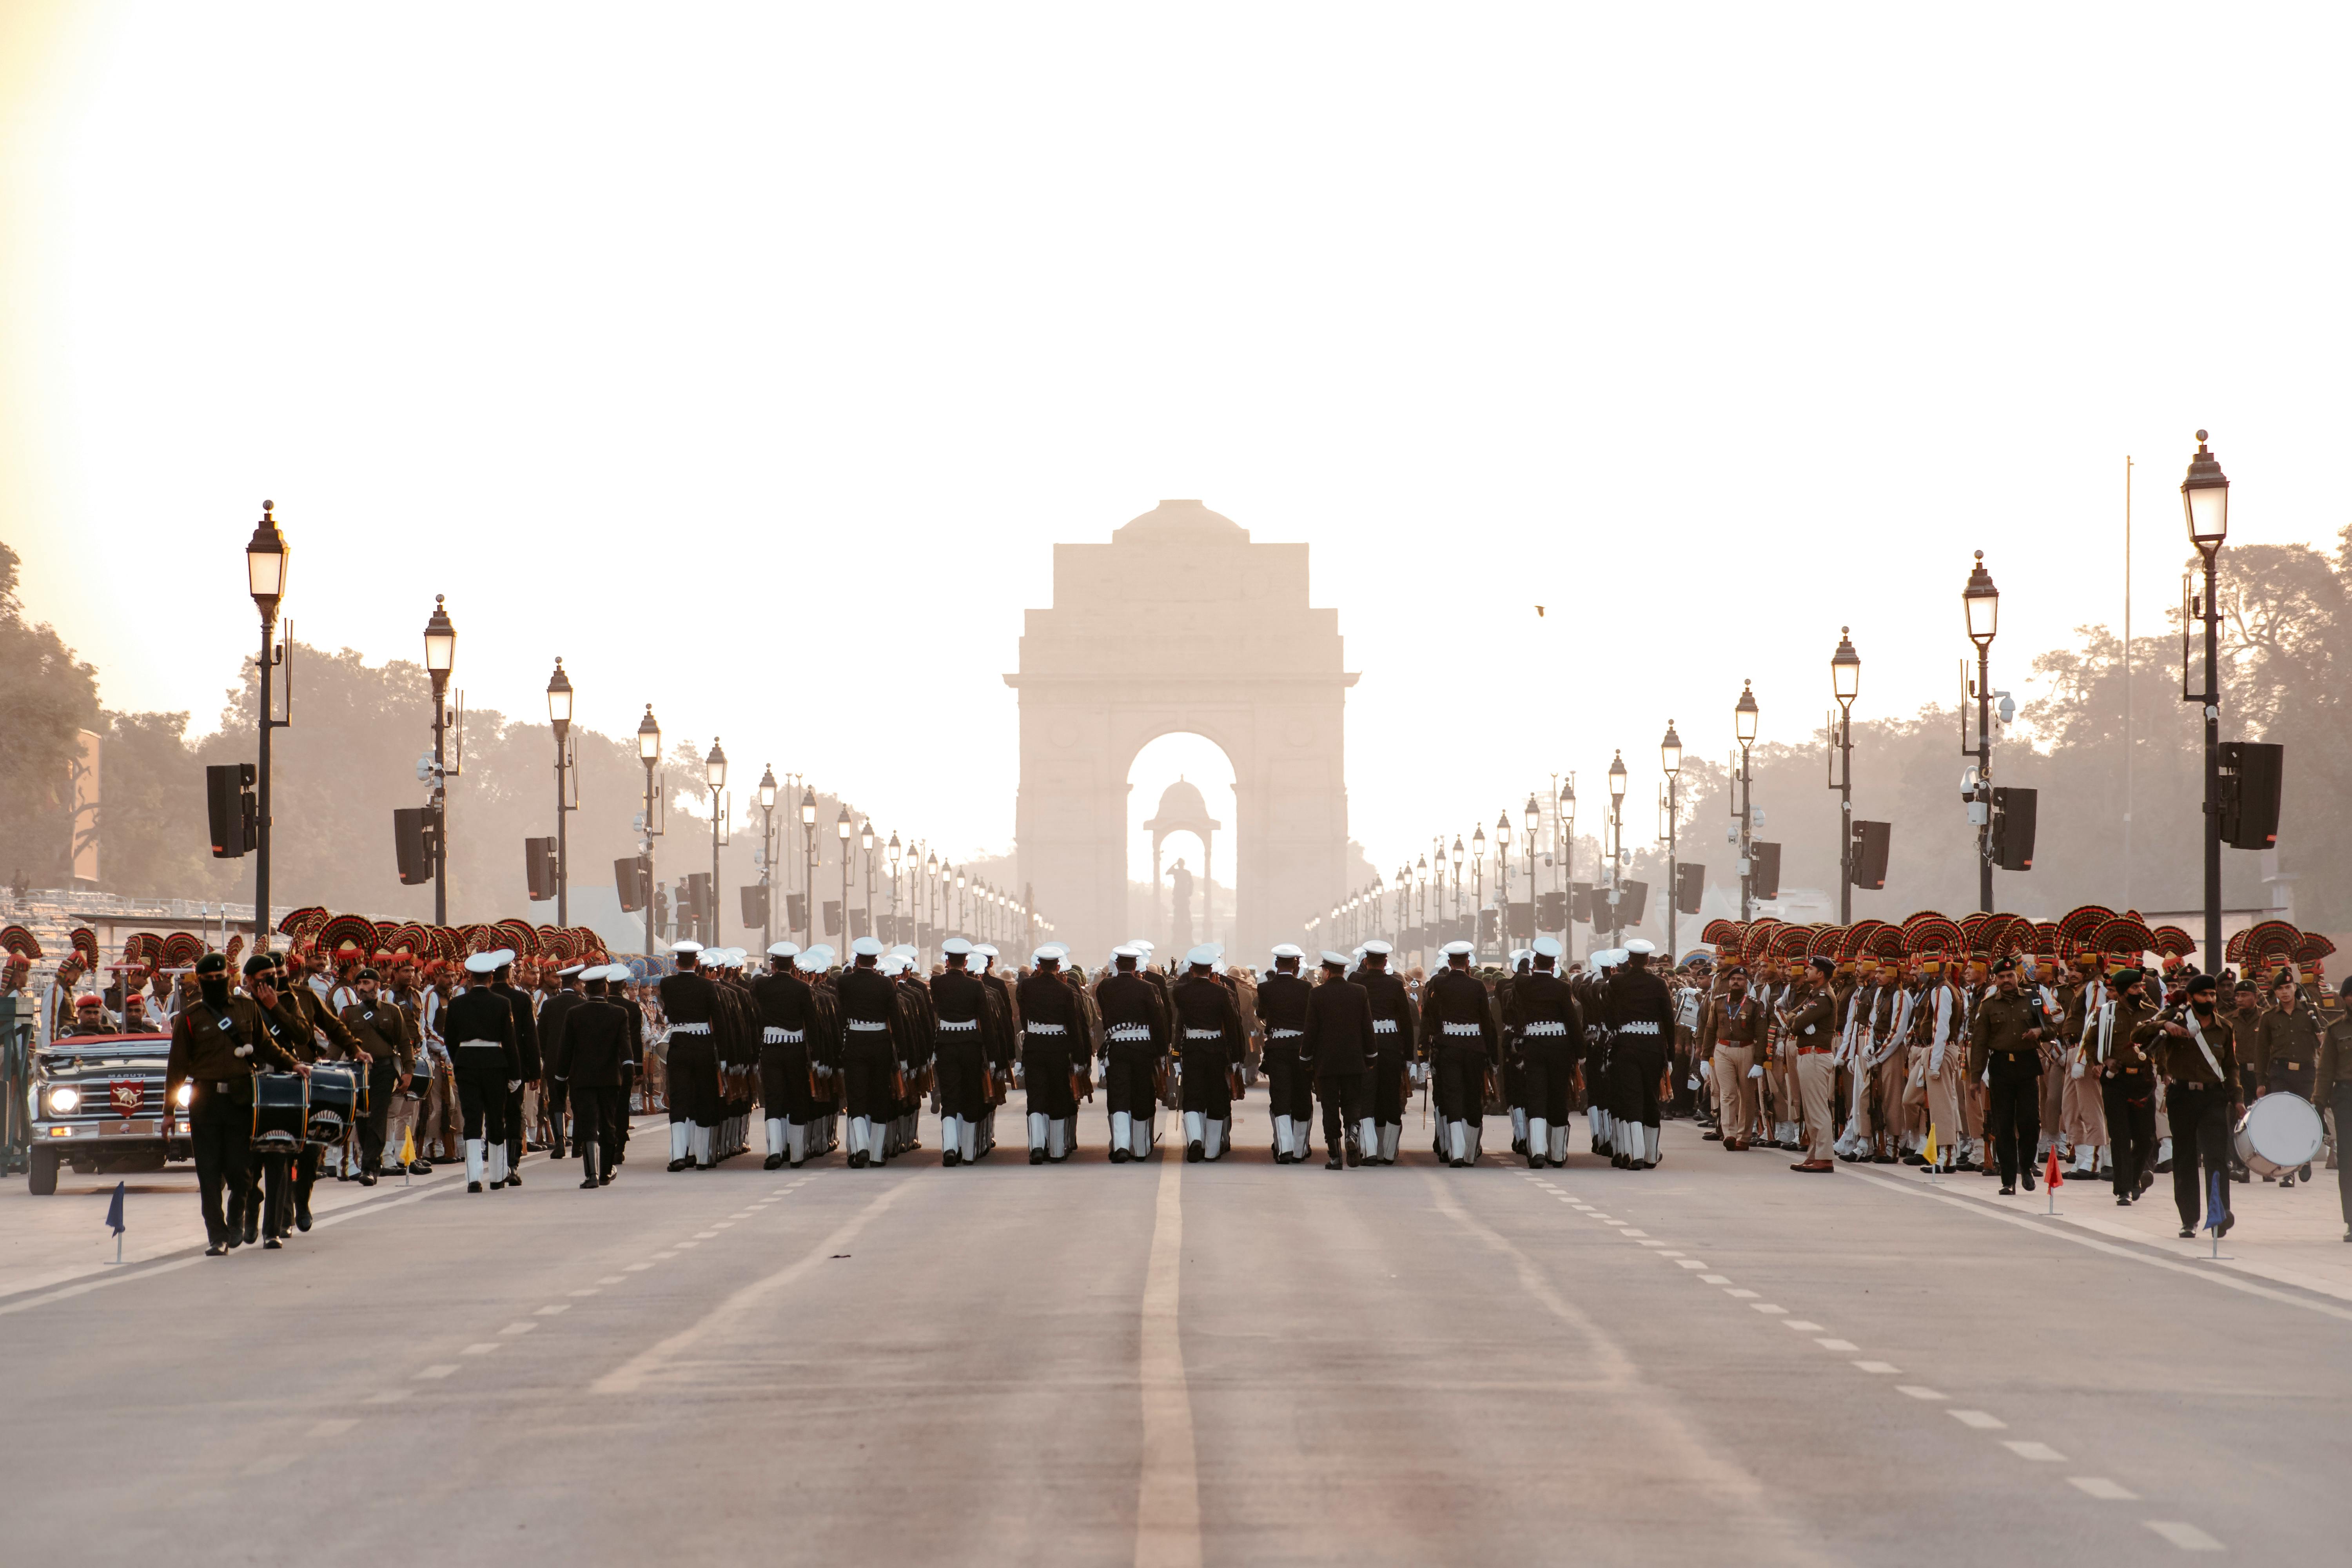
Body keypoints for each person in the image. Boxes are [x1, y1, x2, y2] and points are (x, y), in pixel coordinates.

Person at [164, 952, 295, 1256]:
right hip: (205, 1100)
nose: (214, 983)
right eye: (208, 980)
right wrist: (168, 1112)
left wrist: (293, 1064)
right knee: (209, 1173)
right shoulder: (190, 1018)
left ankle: (240, 1212)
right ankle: (218, 1236)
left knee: (240, 1169)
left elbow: (266, 1046)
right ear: (200, 981)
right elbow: (177, 1067)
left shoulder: (247, 1009)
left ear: (229, 977)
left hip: (241, 1098)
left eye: (219, 978)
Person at [2151, 972, 2242, 1239]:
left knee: (2216, 1158)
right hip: (2182, 1096)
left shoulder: (2224, 1027)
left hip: (2213, 1098)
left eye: (2213, 994)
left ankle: (2220, 1214)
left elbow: (2231, 1066)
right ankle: (2189, 1219)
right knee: (2185, 1158)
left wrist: (2237, 1098)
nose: (2210, 999)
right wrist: (2166, 1026)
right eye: (2204, 995)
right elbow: (2139, 1033)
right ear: (2191, 998)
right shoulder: (2175, 1019)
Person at [1966, 956, 2045, 1194]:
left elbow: (2051, 1025)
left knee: (2030, 1122)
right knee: (2003, 1125)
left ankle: (2027, 1166)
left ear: (2017, 977)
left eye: (2010, 976)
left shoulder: (2033, 999)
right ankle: (2008, 1181)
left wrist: (2039, 1030)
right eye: (2001, 977)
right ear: (1996, 980)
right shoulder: (1988, 1006)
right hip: (2001, 1067)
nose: (2006, 980)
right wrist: (1975, 1079)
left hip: (2028, 1066)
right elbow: (1979, 1044)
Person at [447, 951, 522, 1192]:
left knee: (472, 1120)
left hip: (466, 1062)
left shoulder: (457, 1003)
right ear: (491, 978)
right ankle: (498, 1176)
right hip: (494, 1063)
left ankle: (473, 1179)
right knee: (495, 1119)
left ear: (469, 978)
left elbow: (449, 1038)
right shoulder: (502, 1003)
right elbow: (510, 1043)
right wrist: (515, 1074)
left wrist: (459, 1059)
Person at [552, 965, 632, 1187]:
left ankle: (592, 1175)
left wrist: (560, 1079)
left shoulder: (574, 1014)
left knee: (588, 1124)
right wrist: (628, 1073)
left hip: (582, 1079)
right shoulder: (619, 1013)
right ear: (606, 988)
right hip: (610, 1079)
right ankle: (606, 1171)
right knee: (608, 1124)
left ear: (585, 990)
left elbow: (565, 1051)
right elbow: (625, 1050)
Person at [1504, 936, 1580, 1168]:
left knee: (1536, 1096)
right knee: (1558, 1096)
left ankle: (1537, 1151)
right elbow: (1572, 1020)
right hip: (1559, 1047)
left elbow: (1519, 977)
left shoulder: (1524, 984)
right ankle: (1557, 1153)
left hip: (1534, 1046)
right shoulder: (1562, 987)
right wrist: (1580, 1051)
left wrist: (1526, 963)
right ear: (1555, 966)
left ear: (1535, 963)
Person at [338, 966, 419, 1183]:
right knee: (362, 1119)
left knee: (378, 1117)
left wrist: (409, 1071)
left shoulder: (392, 1011)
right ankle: (373, 1161)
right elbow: (336, 1045)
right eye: (359, 984)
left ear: (377, 986)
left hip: (384, 1070)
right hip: (357, 1072)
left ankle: (369, 1168)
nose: (362, 988)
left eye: (367, 983)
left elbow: (404, 1043)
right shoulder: (348, 1013)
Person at [1425, 939, 1497, 1167]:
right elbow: (1487, 1023)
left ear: (1449, 962)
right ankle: (1470, 1153)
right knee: (1473, 1097)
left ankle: (1456, 1152)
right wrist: (1493, 1056)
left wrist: (1428, 1048)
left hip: (1448, 1048)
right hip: (1475, 1048)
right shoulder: (1477, 987)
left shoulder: (1440, 984)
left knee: (1453, 1097)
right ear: (1468, 962)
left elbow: (1431, 1017)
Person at [1096, 944, 1172, 1163]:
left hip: (1117, 1047)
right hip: (1143, 1048)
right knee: (1142, 1093)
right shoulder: (1148, 988)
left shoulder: (1105, 987)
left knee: (1119, 1096)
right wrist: (1160, 1050)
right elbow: (1158, 1020)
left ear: (1117, 965)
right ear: (1137, 965)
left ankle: (1120, 1146)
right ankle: (1140, 1148)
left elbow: (1107, 1015)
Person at [1302, 949, 1375, 1169]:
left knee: (1330, 1107)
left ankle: (1335, 1157)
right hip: (1354, 1059)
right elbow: (1367, 1027)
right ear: (1344, 971)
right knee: (1353, 1103)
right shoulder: (1360, 992)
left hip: (1327, 1062)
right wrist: (1371, 1056)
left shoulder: (1317, 995)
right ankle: (1352, 1135)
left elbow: (1311, 1030)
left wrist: (1305, 1057)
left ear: (1326, 971)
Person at [1171, 944, 1243, 1163]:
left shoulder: (1180, 992)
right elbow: (1232, 1026)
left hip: (1192, 1048)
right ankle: (1212, 1150)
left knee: (1193, 1095)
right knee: (1216, 1096)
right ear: (1211, 969)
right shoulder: (1222, 993)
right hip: (1216, 1049)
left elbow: (1180, 1024)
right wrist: (1237, 1057)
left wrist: (1175, 1054)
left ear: (1192, 968)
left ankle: (1195, 1140)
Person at [2095, 967, 2161, 1206]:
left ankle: (2133, 1179)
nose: (2140, 991)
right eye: (2134, 988)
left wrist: (2166, 1073)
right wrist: (2104, 1060)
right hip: (2117, 1081)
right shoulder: (2106, 1014)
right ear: (2123, 992)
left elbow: (2161, 1045)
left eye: (2141, 987)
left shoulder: (2153, 1013)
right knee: (2120, 1137)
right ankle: (2124, 1189)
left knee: (2146, 1139)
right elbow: (2090, 1042)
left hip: (2143, 1081)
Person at [1607, 940, 1675, 1171]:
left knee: (1632, 1097)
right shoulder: (1658, 984)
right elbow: (1668, 1019)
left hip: (1626, 1043)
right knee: (1651, 1096)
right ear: (1648, 960)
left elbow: (1609, 1014)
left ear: (1629, 959)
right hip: (1653, 1045)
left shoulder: (1617, 981)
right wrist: (1671, 1055)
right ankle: (1651, 1154)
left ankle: (1635, 1154)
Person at [835, 936, 902, 1169]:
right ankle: (875, 1154)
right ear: (876, 960)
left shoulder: (843, 983)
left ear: (856, 959)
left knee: (857, 1097)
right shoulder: (886, 985)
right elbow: (896, 1020)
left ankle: (860, 1146)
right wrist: (900, 1052)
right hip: (880, 1042)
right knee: (879, 1096)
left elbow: (840, 1016)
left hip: (854, 1040)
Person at [2254, 967, 2324, 1188]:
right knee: (2283, 1121)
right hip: (2280, 1073)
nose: (2285, 992)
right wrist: (2261, 1082)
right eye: (2280, 989)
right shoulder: (2269, 1018)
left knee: (2304, 1119)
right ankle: (2287, 1171)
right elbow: (2262, 1051)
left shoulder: (2311, 1012)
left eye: (2288, 987)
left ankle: (2305, 1158)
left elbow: (2325, 1042)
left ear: (2295, 987)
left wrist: (2323, 1037)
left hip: (2306, 1072)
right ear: (2275, 993)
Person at [658, 940, 724, 1171]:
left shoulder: (666, 984)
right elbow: (718, 1018)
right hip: (703, 1046)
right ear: (697, 963)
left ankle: (678, 1156)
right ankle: (703, 1157)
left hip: (679, 1045)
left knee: (679, 1100)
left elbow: (667, 1011)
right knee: (704, 1099)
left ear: (677, 962)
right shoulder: (708, 987)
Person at [929, 938, 993, 1167]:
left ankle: (949, 1148)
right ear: (966, 962)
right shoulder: (976, 986)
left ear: (947, 961)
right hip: (970, 1045)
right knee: (971, 1096)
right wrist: (993, 1055)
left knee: (950, 1097)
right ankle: (967, 1152)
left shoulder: (936, 983)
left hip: (946, 1043)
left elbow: (934, 1013)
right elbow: (985, 1019)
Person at [1016, 944, 1082, 1163]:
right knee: (1058, 1096)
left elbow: (1024, 1017)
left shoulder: (1027, 987)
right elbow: (1073, 1025)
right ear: (1057, 966)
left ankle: (1036, 1147)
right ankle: (1056, 1150)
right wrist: (1079, 1057)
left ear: (1039, 965)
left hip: (1035, 1045)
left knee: (1035, 1098)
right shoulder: (1066, 990)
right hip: (1058, 1047)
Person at [1354, 939, 1417, 1164]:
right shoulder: (1394, 985)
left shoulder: (1356, 981)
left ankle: (1369, 1150)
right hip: (1391, 1046)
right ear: (1386, 961)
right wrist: (1409, 1056)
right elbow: (1406, 1022)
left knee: (1367, 1097)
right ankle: (1388, 1152)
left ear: (1366, 961)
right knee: (1390, 1097)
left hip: (1365, 1046)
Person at [755, 942, 817, 1169]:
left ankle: (774, 1153)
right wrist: (816, 1054)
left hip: (770, 1046)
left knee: (774, 1099)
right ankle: (797, 1154)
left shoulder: (761, 986)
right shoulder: (803, 989)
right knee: (796, 1098)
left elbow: (757, 1016)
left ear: (773, 964)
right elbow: (812, 1022)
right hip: (795, 1048)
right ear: (793, 965)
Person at [1254, 944, 1315, 1163]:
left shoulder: (1266, 989)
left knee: (1281, 1096)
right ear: (1296, 965)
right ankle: (1300, 1148)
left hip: (1278, 1046)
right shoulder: (1307, 988)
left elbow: (1262, 1014)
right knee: (1302, 1095)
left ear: (1277, 964)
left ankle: (1285, 1149)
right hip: (1301, 1047)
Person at [1780, 955, 1840, 1174]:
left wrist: (1795, 1020)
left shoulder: (1823, 997)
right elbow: (1793, 1015)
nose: (1807, 972)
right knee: (1812, 1109)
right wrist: (1795, 1018)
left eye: (1811, 969)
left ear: (1821, 974)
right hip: (1809, 1055)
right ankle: (1815, 1155)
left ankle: (1824, 1158)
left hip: (1815, 1055)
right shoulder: (1815, 995)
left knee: (1818, 1110)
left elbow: (1796, 1024)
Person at [487, 955, 544, 1181]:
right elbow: (531, 1037)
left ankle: (496, 1165)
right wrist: (535, 1072)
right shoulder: (522, 999)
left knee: (492, 1114)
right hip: (516, 1065)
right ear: (511, 973)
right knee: (514, 1113)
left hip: (488, 1065)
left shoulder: (485, 998)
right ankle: (512, 1166)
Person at [2312, 977, 2352, 1241]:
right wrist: (2318, 1102)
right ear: (2344, 998)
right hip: (2345, 1097)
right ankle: (2351, 1220)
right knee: (2348, 1161)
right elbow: (2325, 1071)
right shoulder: (2336, 1030)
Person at [537, 964, 589, 1159]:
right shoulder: (583, 1004)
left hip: (554, 1060)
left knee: (557, 1101)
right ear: (576, 984)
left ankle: (560, 1142)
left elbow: (540, 1035)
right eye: (581, 983)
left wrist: (546, 1055)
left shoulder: (549, 1004)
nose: (583, 986)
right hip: (578, 1061)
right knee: (578, 1101)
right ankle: (578, 1143)